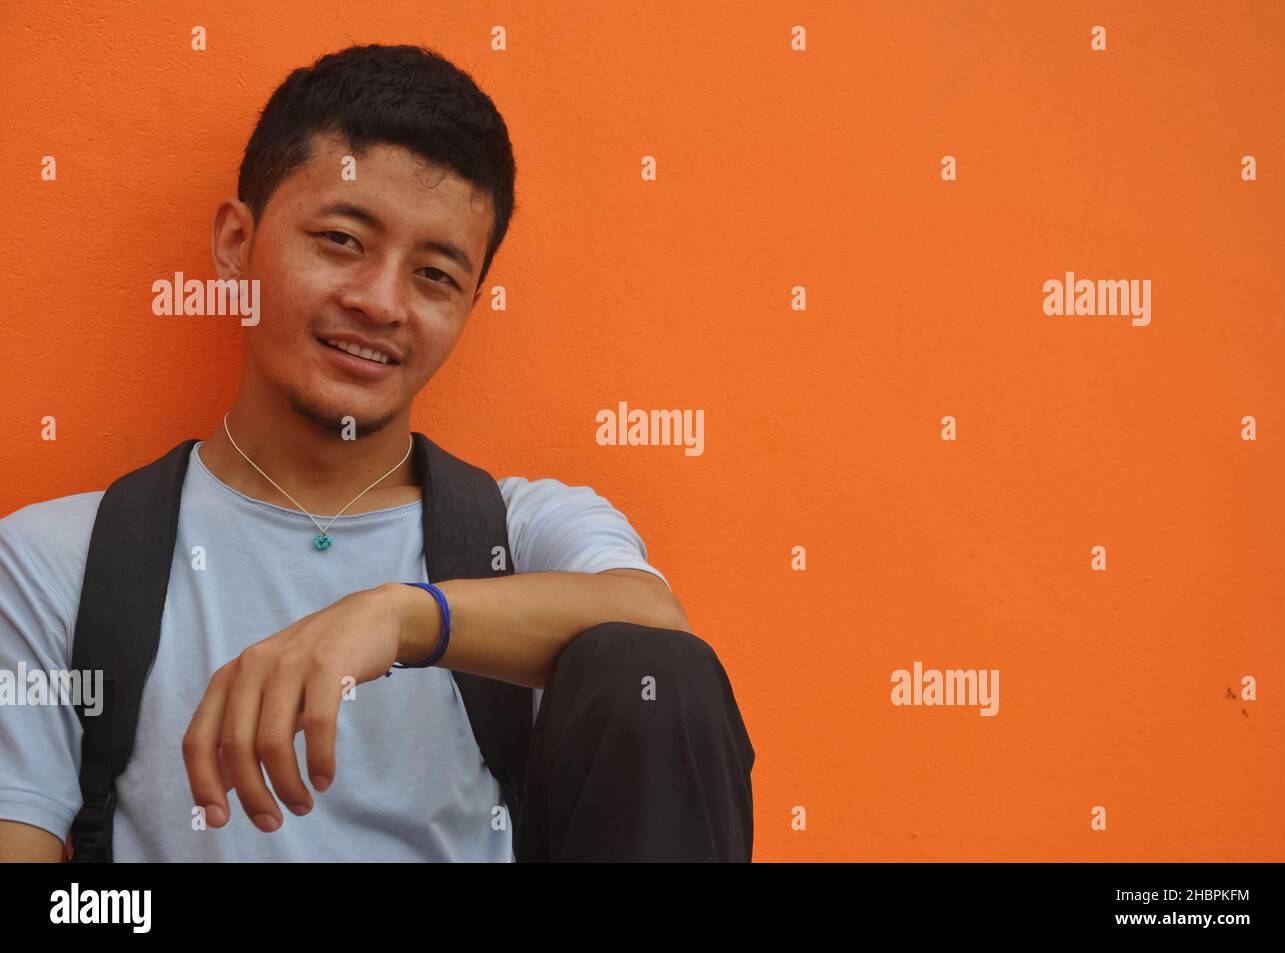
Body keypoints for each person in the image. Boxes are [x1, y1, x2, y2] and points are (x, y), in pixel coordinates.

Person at [0, 43, 754, 862]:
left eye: (434, 275)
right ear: (234, 244)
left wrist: (398, 617)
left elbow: (660, 629)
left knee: (655, 670)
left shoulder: (525, 531)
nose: (381, 303)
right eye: (341, 240)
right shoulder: (60, 563)